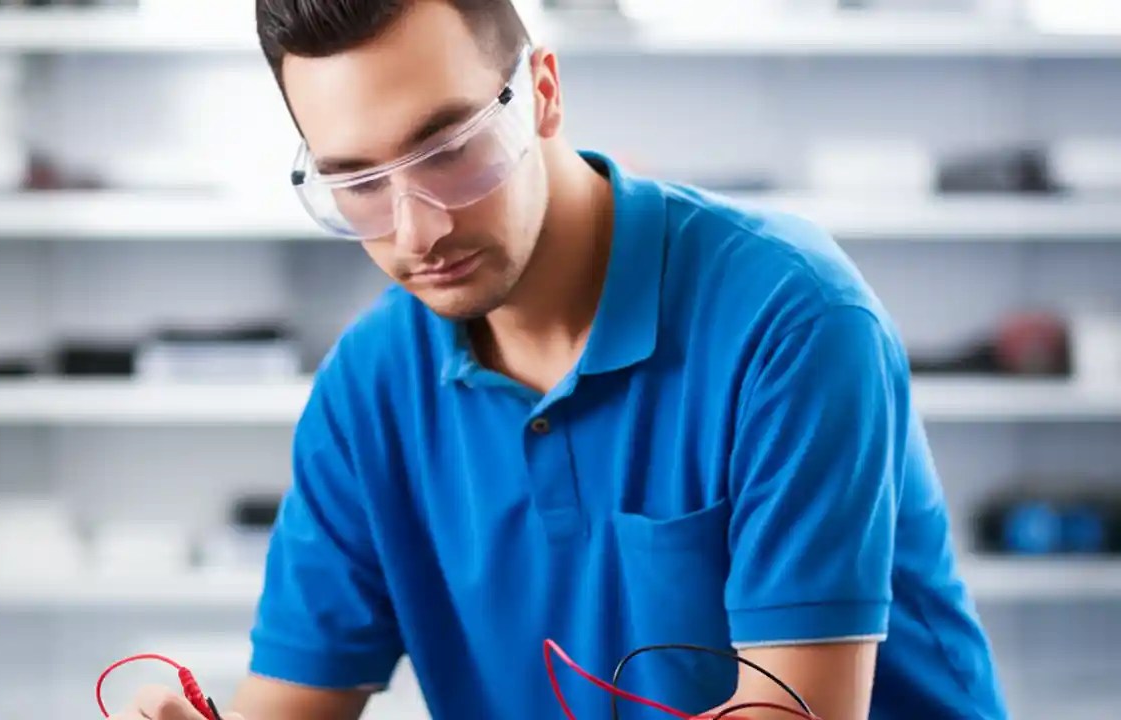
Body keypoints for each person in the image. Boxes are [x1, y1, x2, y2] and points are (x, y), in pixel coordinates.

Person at [113, 1, 1008, 719]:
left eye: (449, 150)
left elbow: (796, 714)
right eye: (358, 183)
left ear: (541, 93)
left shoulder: (793, 316)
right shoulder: (370, 387)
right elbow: (294, 703)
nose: (416, 229)